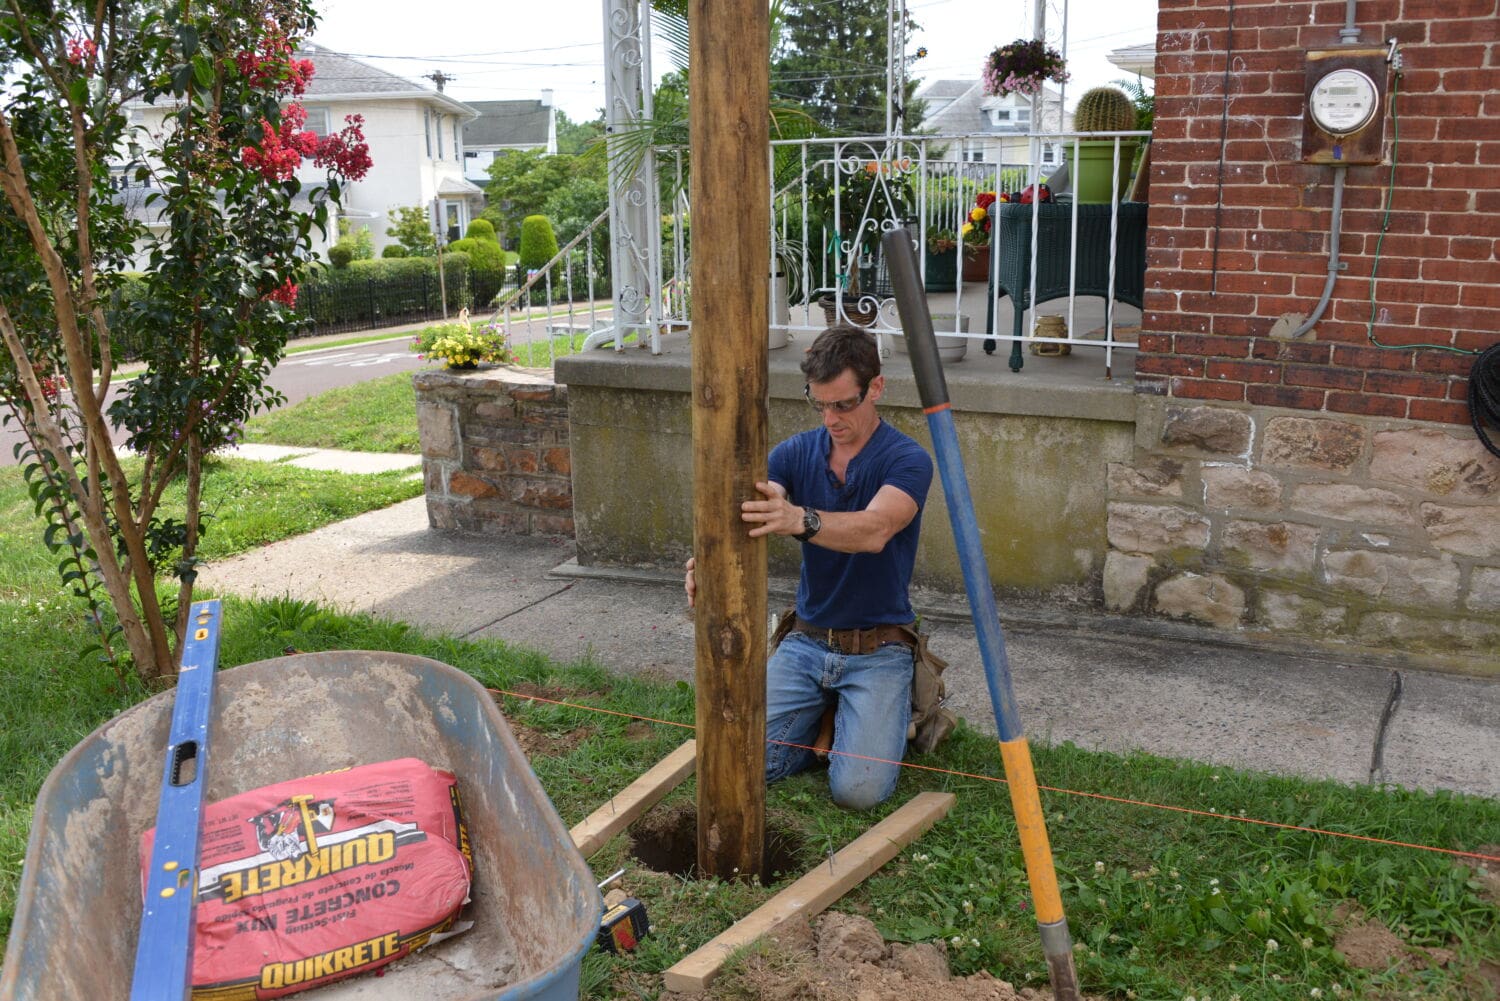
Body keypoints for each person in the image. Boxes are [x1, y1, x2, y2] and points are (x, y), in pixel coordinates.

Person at [685, 325, 934, 809]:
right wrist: (708, 562)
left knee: (856, 792)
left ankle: (862, 713)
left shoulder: (908, 458)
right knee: (736, 755)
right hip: (806, 641)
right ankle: (830, 717)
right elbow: (758, 504)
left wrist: (800, 518)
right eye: (819, 404)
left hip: (878, 647)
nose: (831, 418)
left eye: (843, 404)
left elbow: (876, 530)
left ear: (876, 388)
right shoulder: (797, 451)